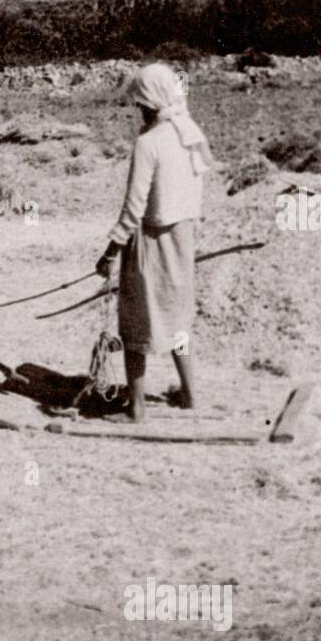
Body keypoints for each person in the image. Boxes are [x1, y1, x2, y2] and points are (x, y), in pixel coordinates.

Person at [95, 62, 213, 422]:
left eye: (140, 103)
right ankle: (191, 395)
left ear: (149, 101)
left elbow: (133, 208)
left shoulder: (148, 143)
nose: (138, 110)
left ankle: (137, 408)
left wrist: (111, 251)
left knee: (135, 324)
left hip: (150, 240)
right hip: (182, 238)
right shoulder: (189, 132)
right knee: (177, 318)